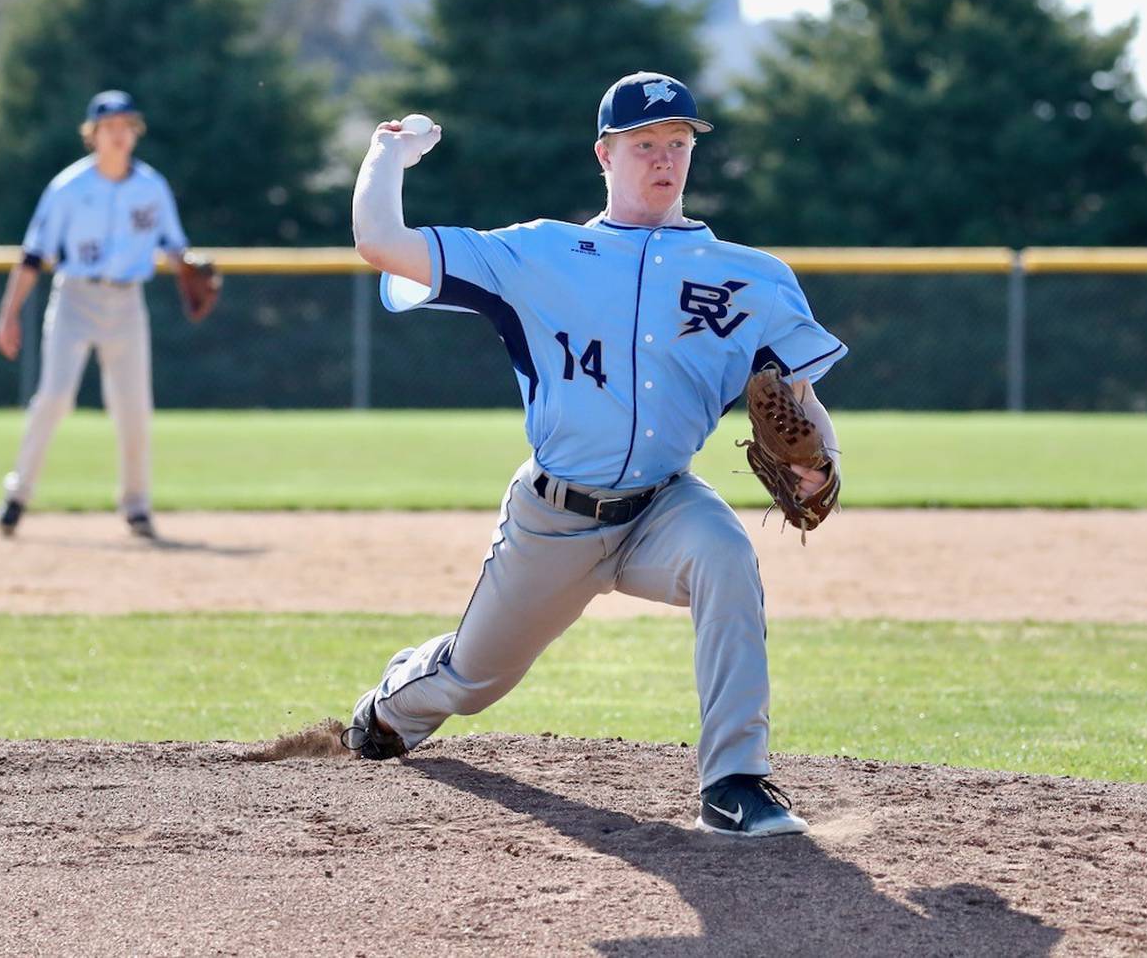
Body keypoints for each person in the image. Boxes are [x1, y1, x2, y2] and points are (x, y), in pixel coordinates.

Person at [344, 72, 847, 837]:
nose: (664, 158)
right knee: (471, 679)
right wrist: (387, 155)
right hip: (554, 516)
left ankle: (737, 781)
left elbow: (800, 400)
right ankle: (390, 706)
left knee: (726, 554)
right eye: (643, 143)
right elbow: (381, 243)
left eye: (678, 142)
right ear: (603, 156)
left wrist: (824, 464)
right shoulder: (538, 254)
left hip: (664, 506)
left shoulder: (753, 277)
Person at [0, 90, 194, 540]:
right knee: (55, 398)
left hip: (126, 303)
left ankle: (137, 506)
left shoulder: (151, 187)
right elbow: (32, 256)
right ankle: (18, 495)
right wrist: (9, 314)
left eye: (127, 127)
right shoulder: (68, 189)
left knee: (134, 409)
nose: (120, 135)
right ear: (93, 135)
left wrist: (192, 267)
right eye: (111, 127)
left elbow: (175, 246)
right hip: (75, 300)